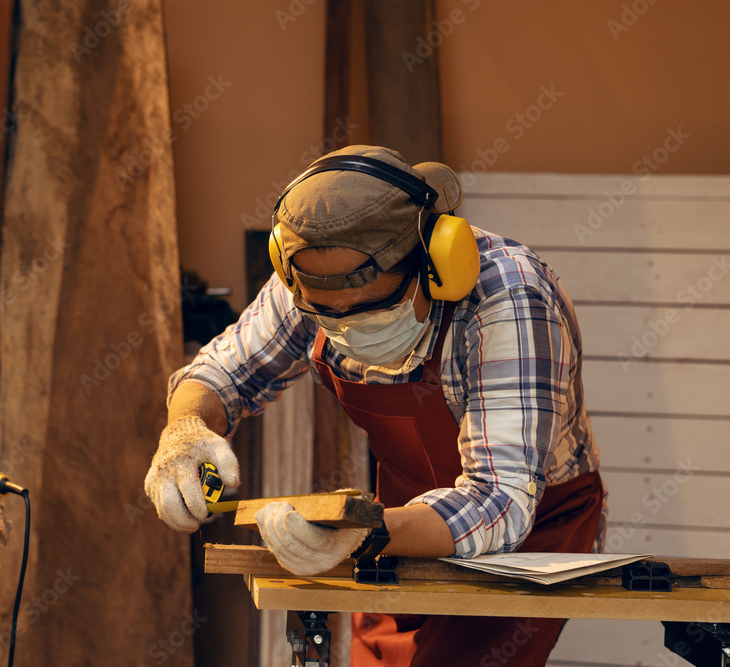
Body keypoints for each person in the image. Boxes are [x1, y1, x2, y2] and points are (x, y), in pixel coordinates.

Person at [144, 144, 607, 666]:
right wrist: (185, 432)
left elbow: (498, 500)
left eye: (369, 310)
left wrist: (367, 531)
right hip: (400, 519)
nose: (343, 327)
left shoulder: (510, 297)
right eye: (326, 315)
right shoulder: (312, 274)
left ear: (436, 263)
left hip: (532, 523)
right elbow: (220, 374)